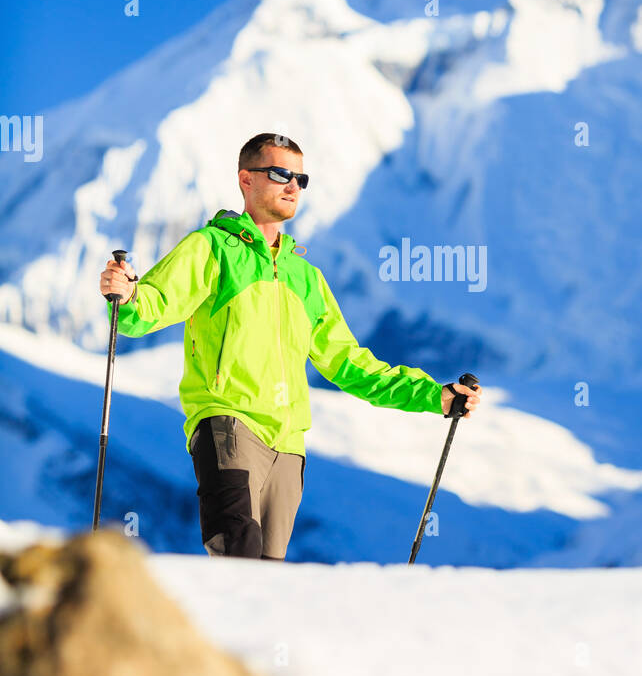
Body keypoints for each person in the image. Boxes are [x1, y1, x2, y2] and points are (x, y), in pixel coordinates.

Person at [98, 132, 482, 560]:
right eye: (280, 173)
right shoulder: (211, 248)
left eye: (300, 178)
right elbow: (151, 305)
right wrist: (128, 295)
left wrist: (435, 396)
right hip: (228, 421)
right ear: (246, 179)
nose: (292, 186)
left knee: (269, 576)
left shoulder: (306, 277)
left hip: (289, 444)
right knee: (237, 552)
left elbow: (349, 363)